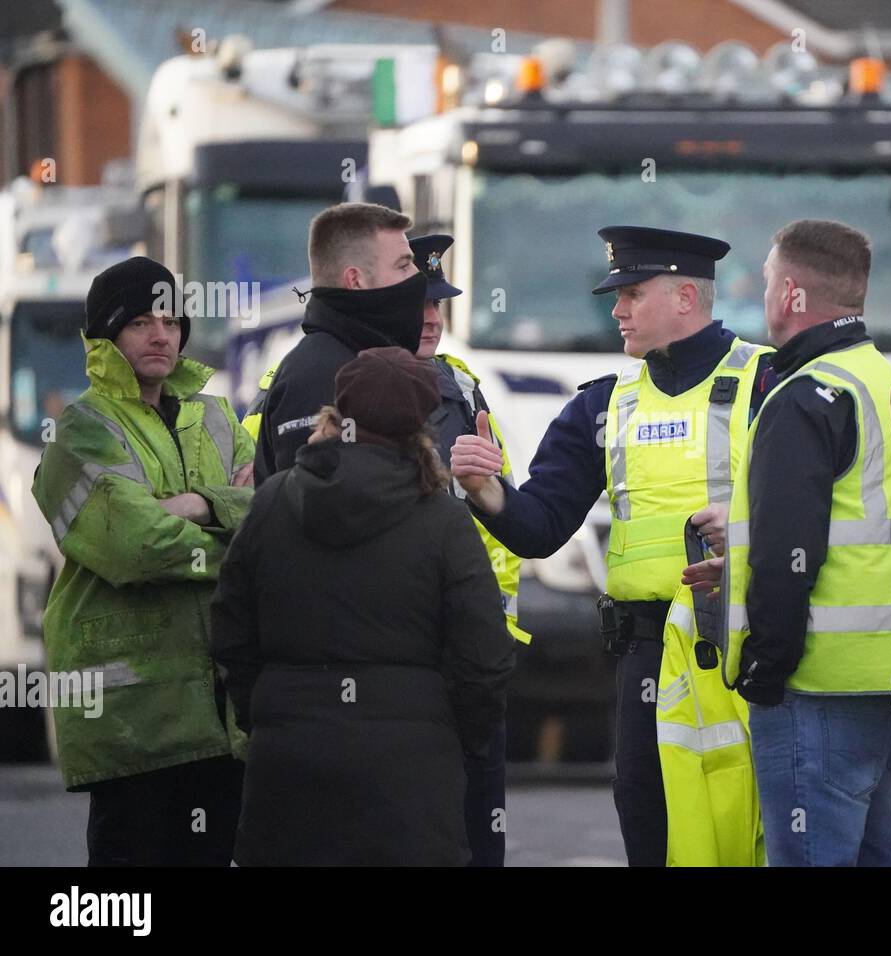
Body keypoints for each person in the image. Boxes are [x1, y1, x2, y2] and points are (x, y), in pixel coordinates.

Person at [451, 226, 773, 866]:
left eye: (631, 293)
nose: (616, 308)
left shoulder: (771, 383)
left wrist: (749, 527)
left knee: (746, 822)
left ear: (686, 296)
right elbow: (540, 527)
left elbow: (820, 506)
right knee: (649, 819)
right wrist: (488, 493)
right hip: (647, 652)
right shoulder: (607, 404)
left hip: (745, 642)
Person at [210, 347, 516, 865]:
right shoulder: (444, 523)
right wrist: (456, 737)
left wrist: (265, 712)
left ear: (334, 416)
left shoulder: (272, 503)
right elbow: (485, 656)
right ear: (423, 430)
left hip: (287, 773)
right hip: (411, 785)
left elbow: (230, 631)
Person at [707, 219, 891, 867]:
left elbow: (786, 553)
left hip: (816, 681)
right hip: (887, 673)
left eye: (772, 280)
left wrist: (763, 668)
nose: (767, 294)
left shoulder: (805, 396)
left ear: (794, 295)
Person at [31, 256, 254, 865]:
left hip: (219, 719)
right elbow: (138, 548)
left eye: (170, 320)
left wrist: (193, 504)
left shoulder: (218, 416)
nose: (161, 335)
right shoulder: (81, 431)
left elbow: (273, 516)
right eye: (138, 322)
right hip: (134, 726)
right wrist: (230, 524)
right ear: (105, 337)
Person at [409, 232, 528, 867]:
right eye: (417, 302)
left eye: (439, 304)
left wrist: (493, 626)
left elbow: (500, 510)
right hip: (396, 657)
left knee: (479, 833)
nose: (432, 318)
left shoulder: (463, 388)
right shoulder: (320, 381)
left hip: (473, 652)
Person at [252, 201, 427, 483]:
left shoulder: (368, 359)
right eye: (404, 265)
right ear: (355, 280)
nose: (417, 277)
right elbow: (314, 506)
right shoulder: (316, 375)